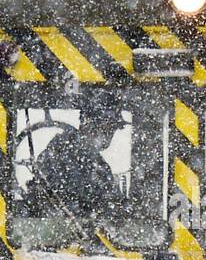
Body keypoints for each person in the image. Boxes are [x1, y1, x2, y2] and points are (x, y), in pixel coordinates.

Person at [22, 91, 130, 220]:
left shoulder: (95, 162)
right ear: (89, 124)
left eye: (113, 129)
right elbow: (69, 208)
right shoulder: (63, 156)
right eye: (107, 127)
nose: (110, 134)